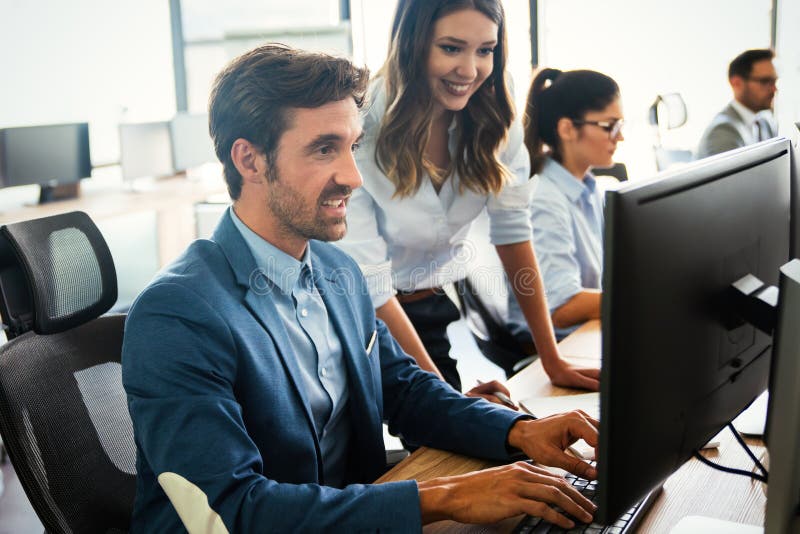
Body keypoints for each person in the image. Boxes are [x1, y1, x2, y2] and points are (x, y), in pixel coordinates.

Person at [121, 43, 600, 532]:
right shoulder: (178, 314)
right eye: (325, 148)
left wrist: (521, 431)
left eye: (352, 146)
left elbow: (406, 391)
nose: (353, 177)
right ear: (250, 160)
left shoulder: (337, 271)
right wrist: (447, 496)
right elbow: (234, 510)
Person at [336, 0, 600, 393]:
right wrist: (450, 405)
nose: (470, 70)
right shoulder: (361, 124)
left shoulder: (494, 107)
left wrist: (552, 360)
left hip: (428, 304)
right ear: (413, 44)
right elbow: (371, 288)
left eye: (485, 50)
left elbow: (513, 231)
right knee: (430, 432)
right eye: (451, 48)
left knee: (463, 430)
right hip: (353, 313)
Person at [504, 69, 623, 343]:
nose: (620, 138)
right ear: (567, 128)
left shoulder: (587, 187)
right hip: (557, 344)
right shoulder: (545, 199)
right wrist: (643, 299)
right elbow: (562, 309)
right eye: (610, 126)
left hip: (583, 332)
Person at [696, 49, 778, 159]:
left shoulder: (765, 123)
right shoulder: (723, 132)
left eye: (774, 81)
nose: (774, 89)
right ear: (736, 83)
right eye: (765, 81)